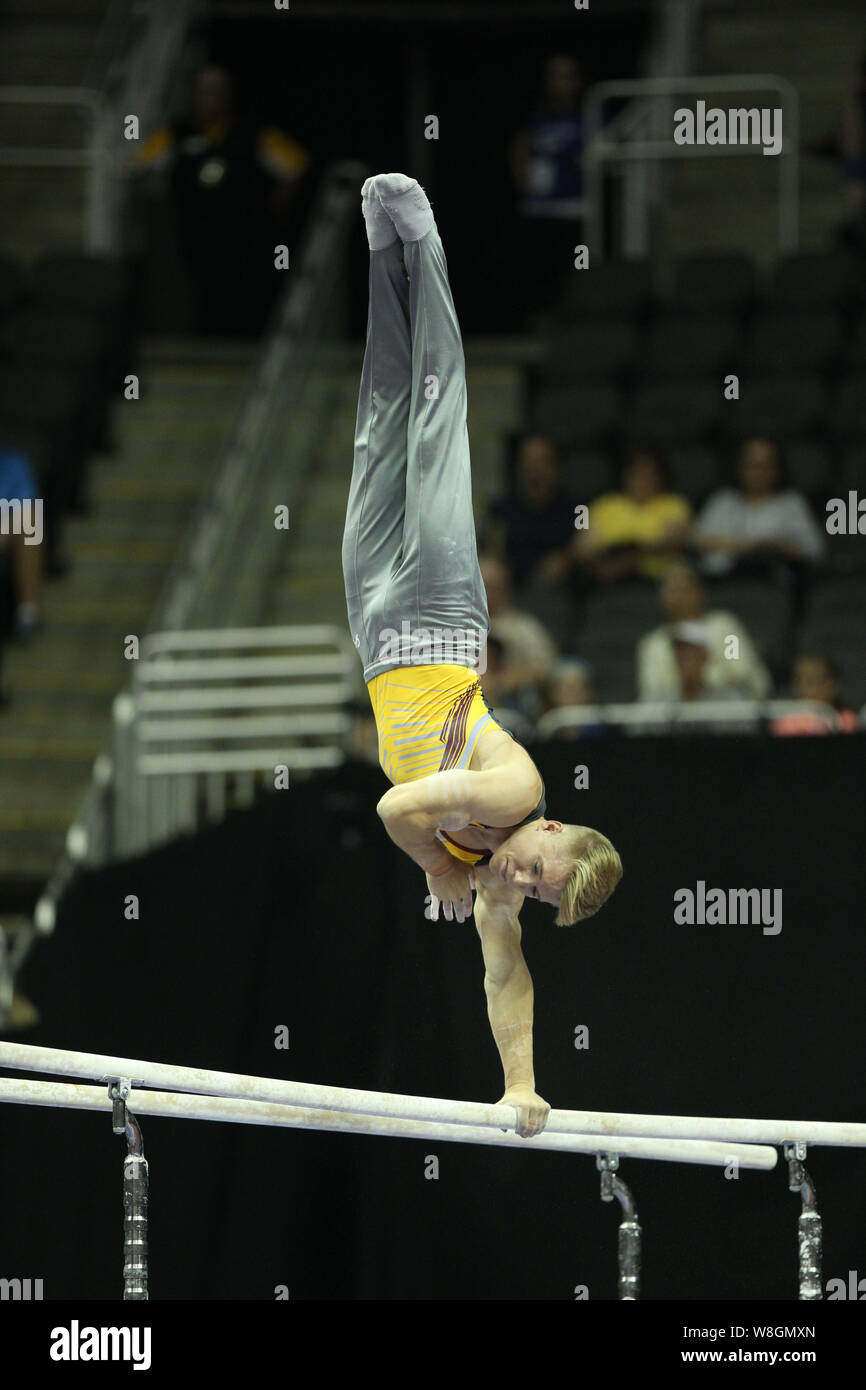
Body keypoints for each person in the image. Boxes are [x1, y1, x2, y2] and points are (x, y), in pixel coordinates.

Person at [342, 174, 622, 1139]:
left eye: (537, 897)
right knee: (431, 416)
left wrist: (521, 1089)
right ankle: (425, 240)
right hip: (440, 621)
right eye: (544, 872)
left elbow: (508, 976)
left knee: (378, 427)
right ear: (554, 829)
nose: (526, 887)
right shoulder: (512, 798)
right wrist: (436, 872)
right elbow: (396, 808)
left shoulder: (499, 886)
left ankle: (380, 254)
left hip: (377, 639)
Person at [136, 65, 310, 334]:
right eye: (204, 91)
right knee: (197, 292)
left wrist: (275, 207)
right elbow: (142, 168)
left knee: (241, 292)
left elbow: (296, 167)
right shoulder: (174, 133)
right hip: (192, 234)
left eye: (217, 92)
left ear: (229, 95)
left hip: (243, 235)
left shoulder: (254, 132)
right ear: (194, 95)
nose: (210, 98)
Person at [637, 561, 771, 701]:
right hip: (675, 713)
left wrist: (702, 680)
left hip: (724, 708)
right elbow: (652, 691)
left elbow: (742, 672)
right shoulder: (653, 644)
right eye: (673, 591)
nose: (680, 597)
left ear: (699, 592)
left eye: (685, 589)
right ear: (663, 599)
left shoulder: (725, 629)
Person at [693, 438, 825, 580]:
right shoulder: (723, 500)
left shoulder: (791, 503)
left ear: (777, 469)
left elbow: (814, 549)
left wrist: (776, 546)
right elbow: (698, 540)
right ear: (740, 468)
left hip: (775, 582)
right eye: (752, 465)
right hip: (722, 581)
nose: (759, 473)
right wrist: (749, 547)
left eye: (766, 466)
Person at [574, 447, 692, 585]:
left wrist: (631, 557)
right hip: (606, 576)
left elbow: (675, 539)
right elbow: (581, 546)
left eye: (649, 475)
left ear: (660, 478)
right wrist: (602, 567)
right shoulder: (603, 504)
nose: (644, 480)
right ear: (626, 476)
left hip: (657, 579)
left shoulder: (674, 503)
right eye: (637, 474)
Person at [483, 435, 575, 591]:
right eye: (529, 462)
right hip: (512, 590)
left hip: (564, 590)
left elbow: (587, 541)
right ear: (518, 467)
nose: (536, 470)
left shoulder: (580, 508)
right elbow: (491, 551)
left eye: (543, 462)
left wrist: (568, 558)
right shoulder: (499, 509)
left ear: (556, 467)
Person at [478, 554, 558, 721]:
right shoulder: (451, 627)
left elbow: (546, 668)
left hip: (515, 705)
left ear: (505, 589)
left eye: (495, 587)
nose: (488, 592)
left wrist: (501, 682)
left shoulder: (523, 627)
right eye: (483, 585)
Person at [772, 653, 860, 735]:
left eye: (812, 681)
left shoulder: (846, 721)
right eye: (799, 681)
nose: (804, 688)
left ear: (833, 685)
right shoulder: (784, 722)